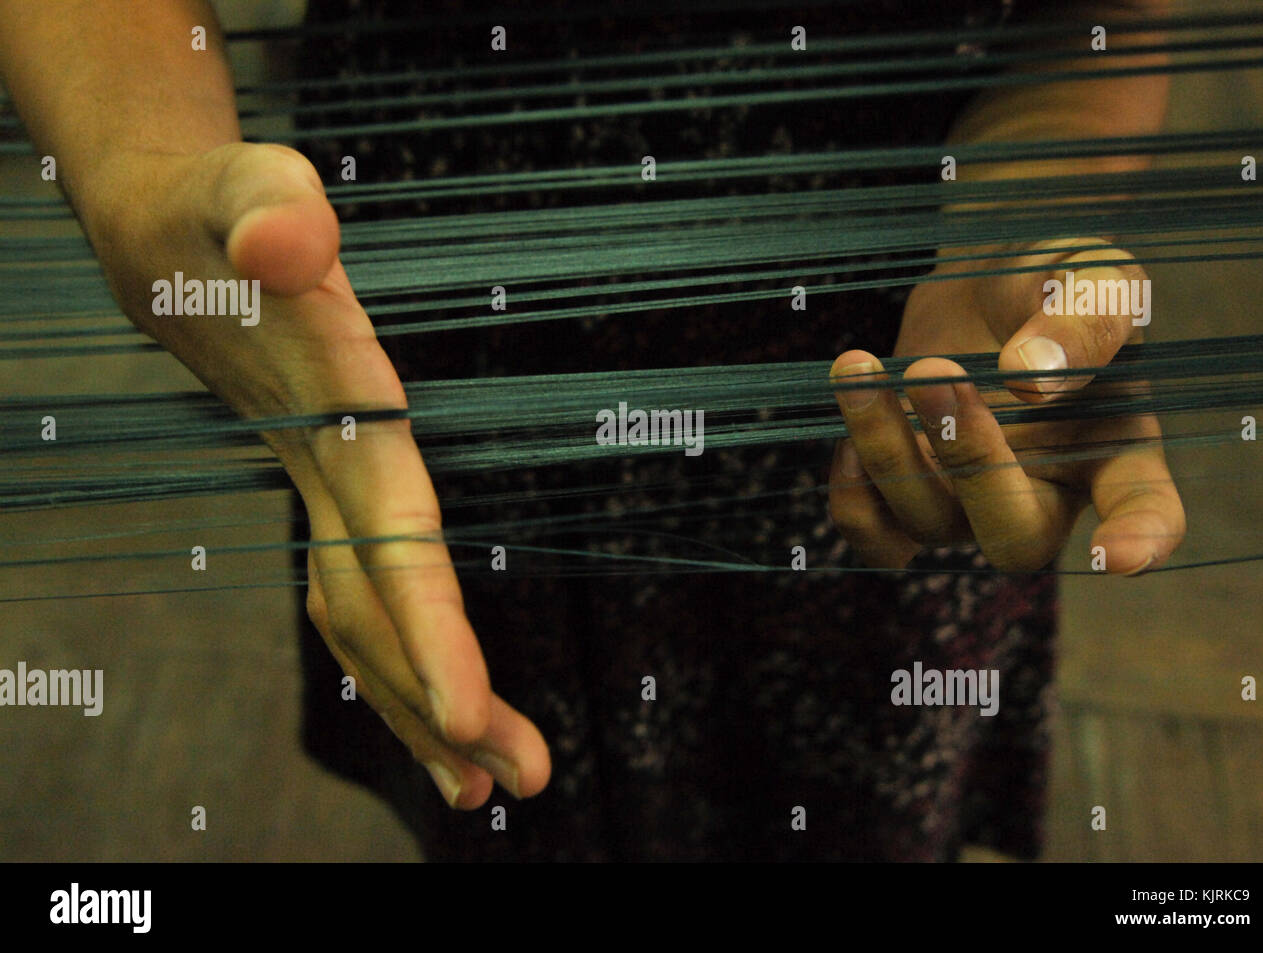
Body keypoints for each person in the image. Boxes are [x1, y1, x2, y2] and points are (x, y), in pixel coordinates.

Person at [0, 0, 1186, 860]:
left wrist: (1019, 214)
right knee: (492, 769)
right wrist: (142, 173)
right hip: (422, 349)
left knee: (850, 804)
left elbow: (1096, 22)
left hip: (866, 382)